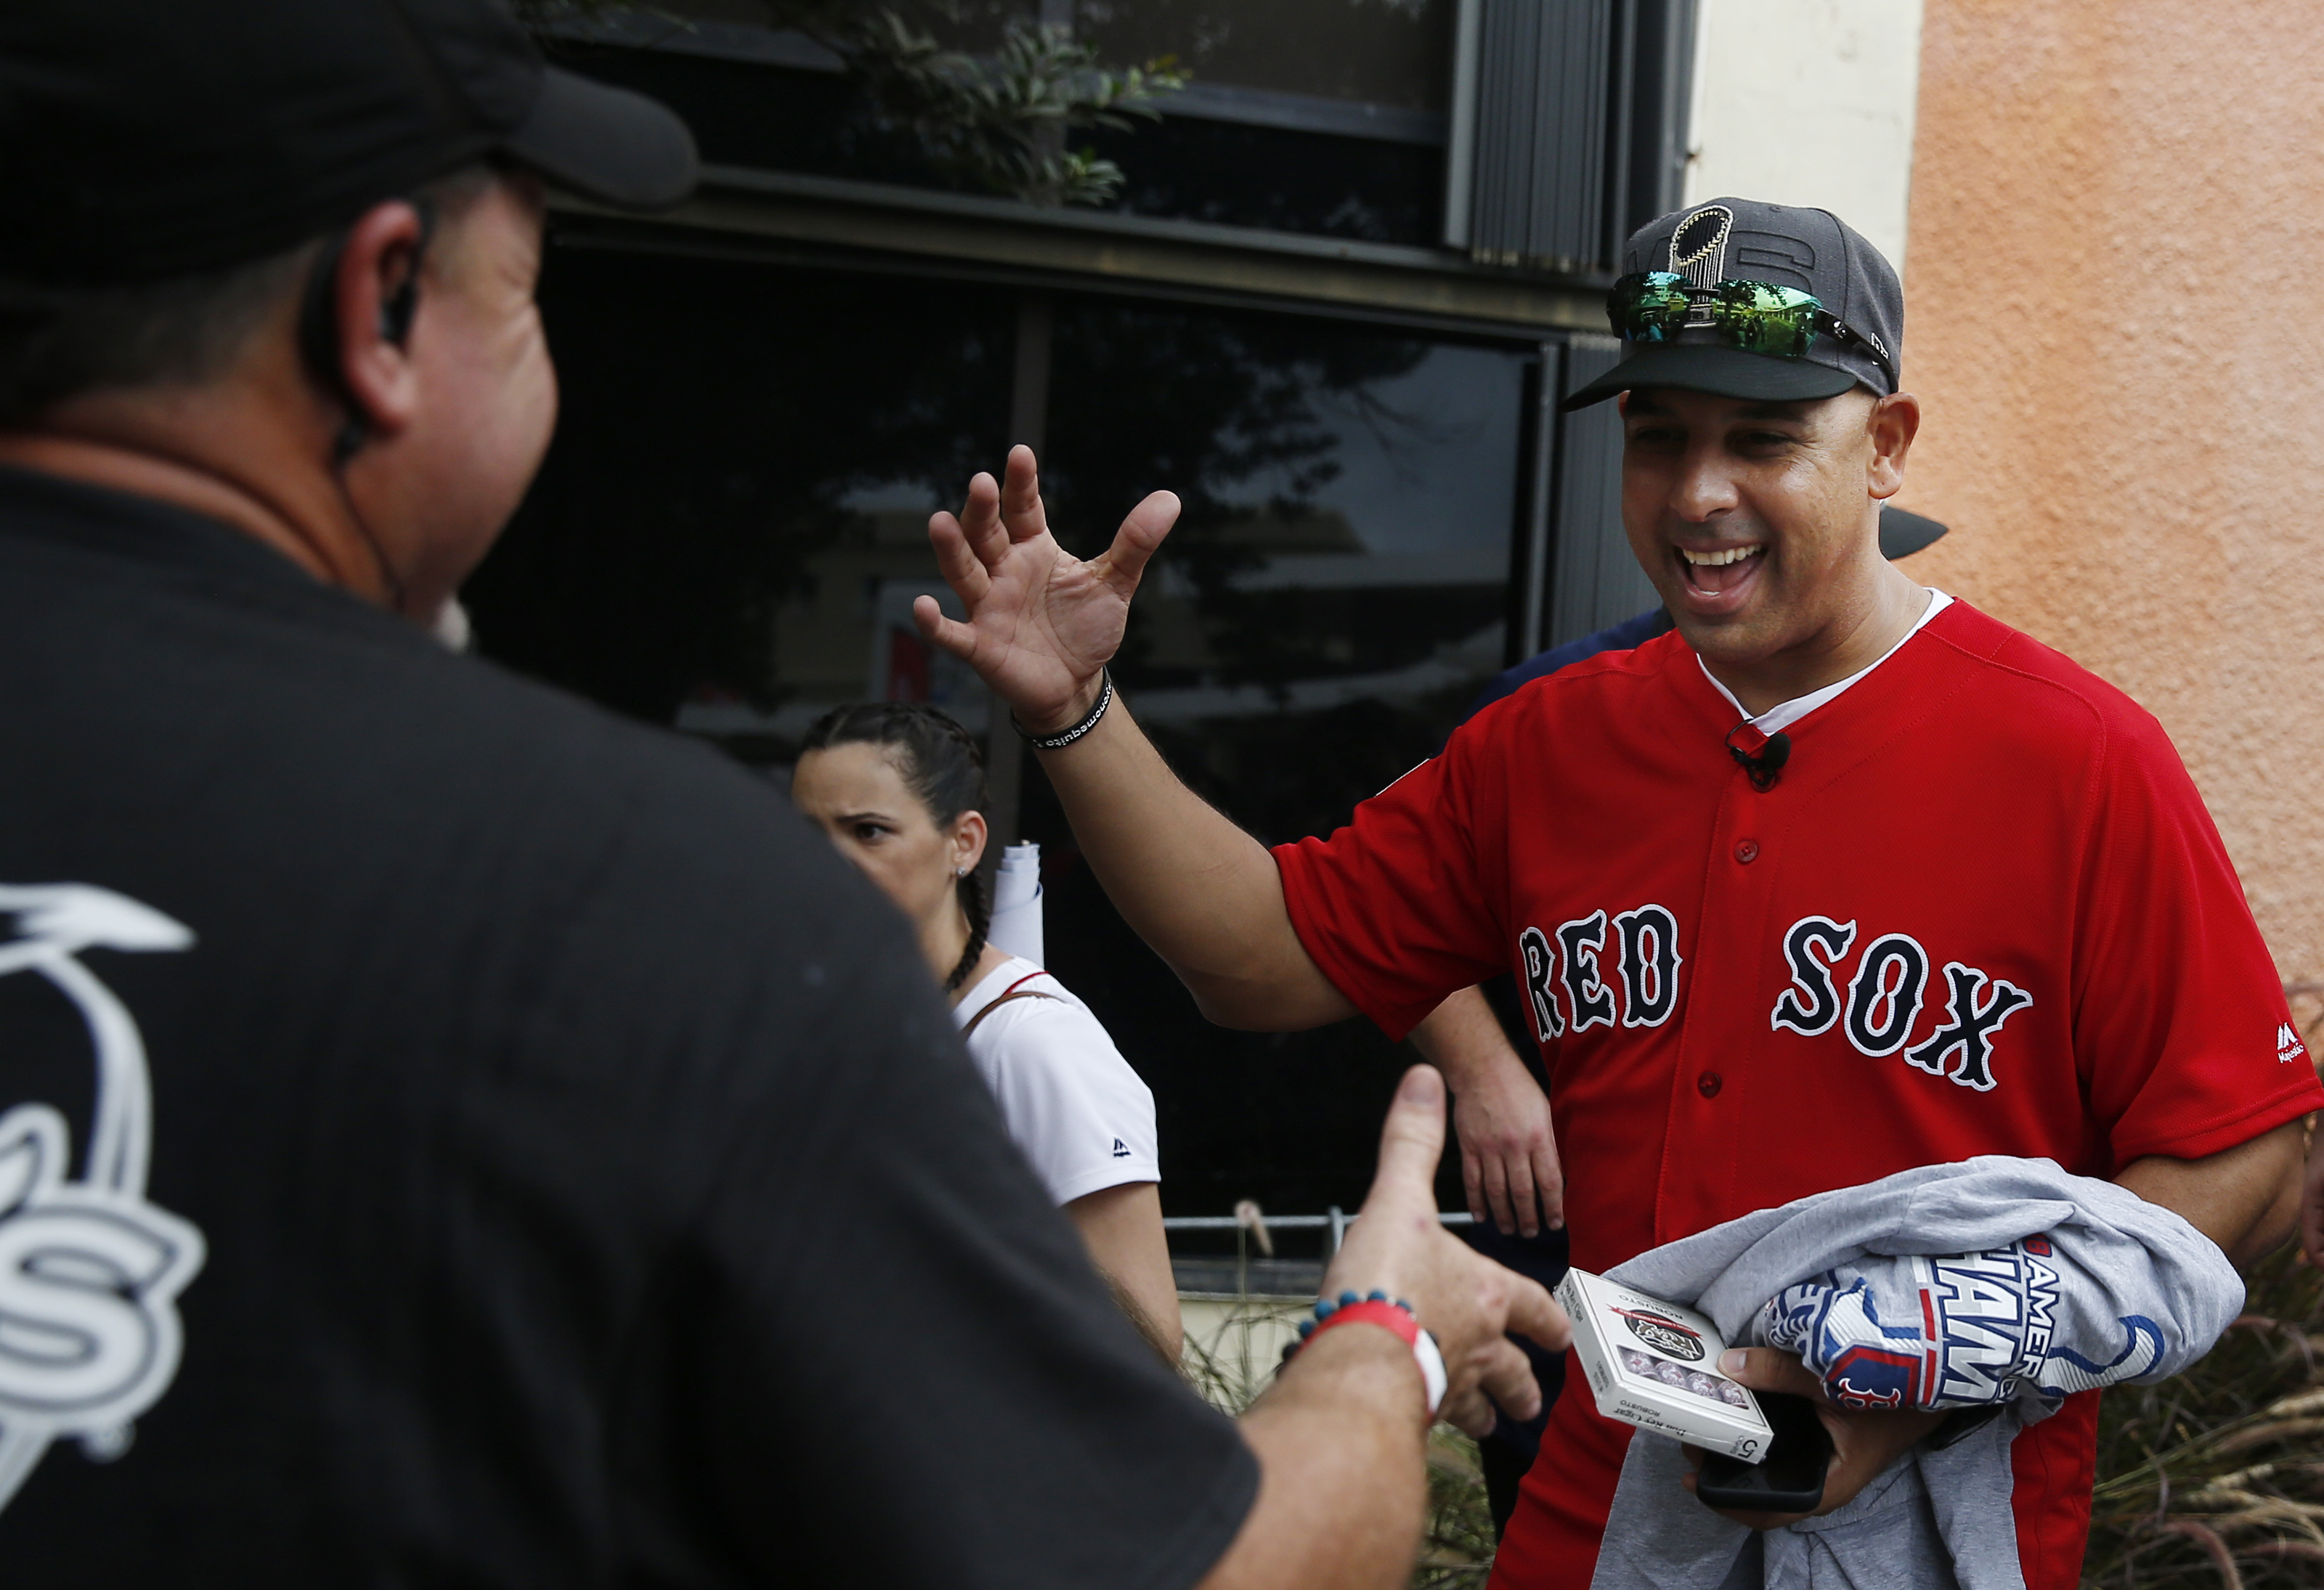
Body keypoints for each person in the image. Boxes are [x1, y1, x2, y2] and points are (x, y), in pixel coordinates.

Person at [0, 1, 1570, 1581]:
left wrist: (1080, 712)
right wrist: (1385, 1342)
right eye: (533, 290)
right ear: (379, 308)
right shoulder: (642, 908)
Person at [911, 195, 2321, 1589]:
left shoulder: (2072, 759)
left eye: (1764, 438)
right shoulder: (1548, 744)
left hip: (1940, 1542)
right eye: (1658, 436)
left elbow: (2247, 1158)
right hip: (1592, 1531)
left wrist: (1917, 1363)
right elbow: (1259, 951)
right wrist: (1078, 716)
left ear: (1885, 446)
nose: (1698, 493)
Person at [791, 701, 1180, 1358]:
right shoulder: (835, 1034)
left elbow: (1144, 1349)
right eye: (808, 834)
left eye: (869, 831)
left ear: (964, 844)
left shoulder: (1032, 1041)